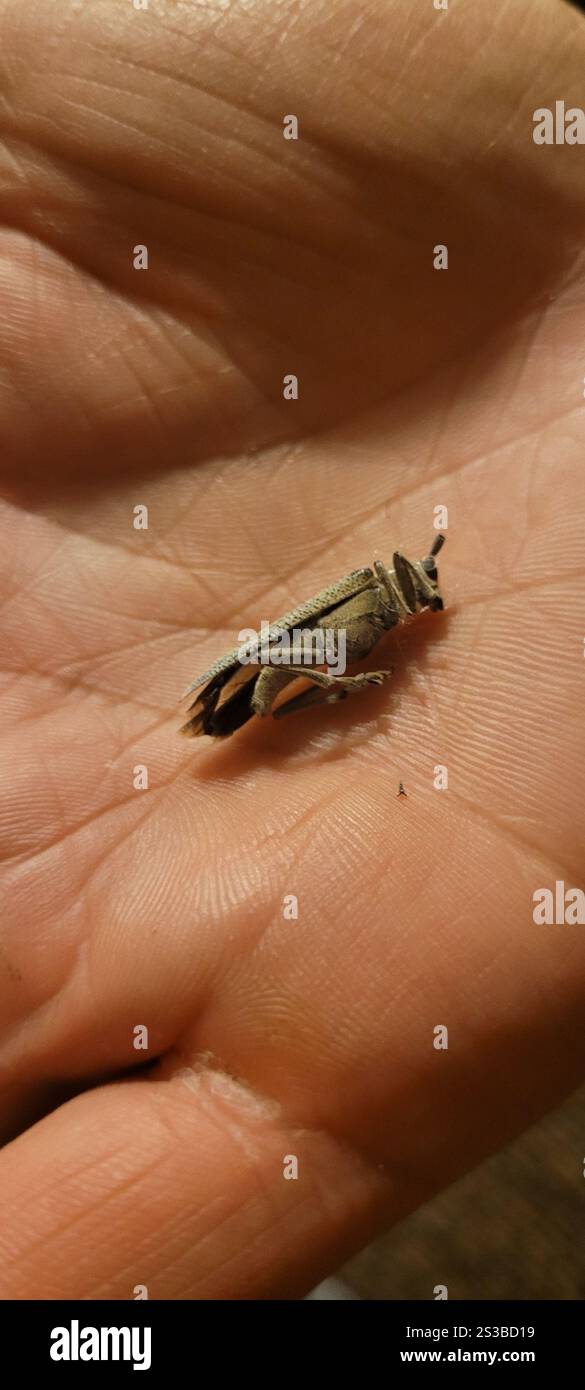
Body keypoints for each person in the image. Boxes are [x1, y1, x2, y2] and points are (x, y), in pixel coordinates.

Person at [0, 0, 584, 1299]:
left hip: (290, 658)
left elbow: (354, 634)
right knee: (280, 680)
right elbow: (345, 641)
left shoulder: (389, 596)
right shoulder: (377, 600)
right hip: (283, 663)